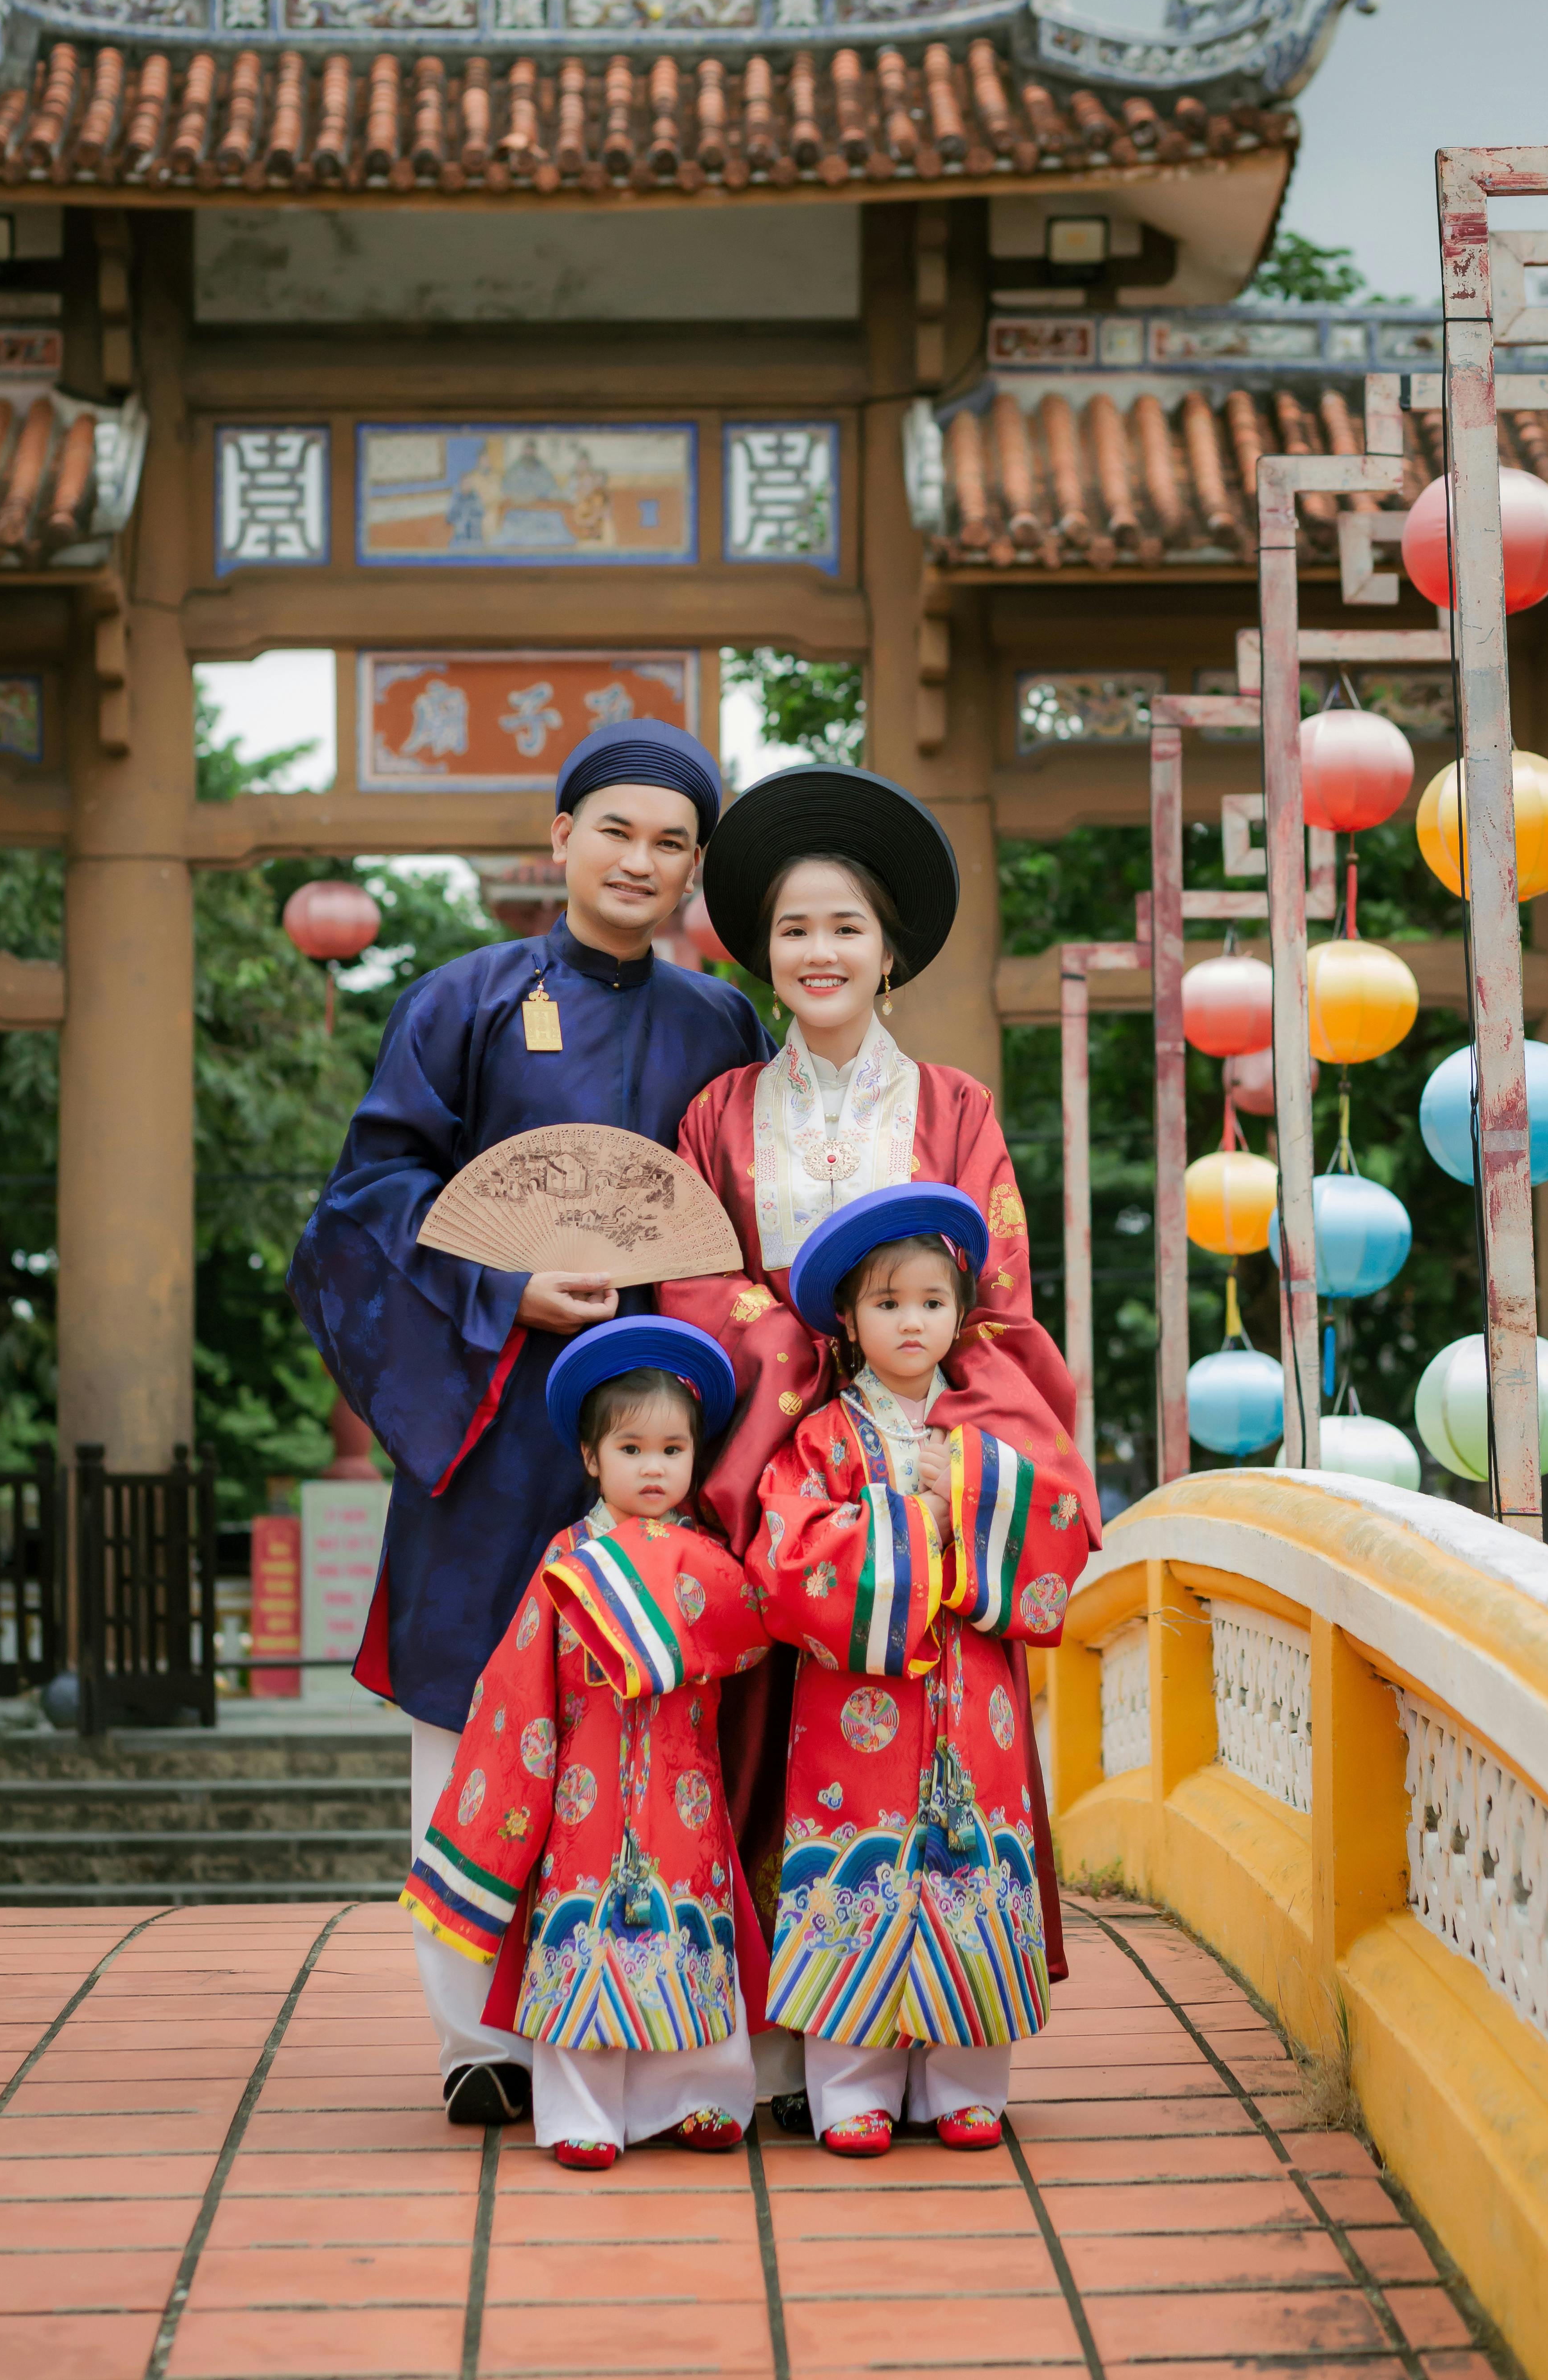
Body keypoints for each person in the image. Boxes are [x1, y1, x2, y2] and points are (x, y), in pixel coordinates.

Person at [288, 719, 772, 2127]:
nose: (640, 861)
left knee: (669, 1714)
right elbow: (367, 1204)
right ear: (560, 837)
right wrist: (507, 1289)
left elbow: (744, 1224)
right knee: (472, 1718)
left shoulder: (722, 1024)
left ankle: (667, 2028)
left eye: (672, 843)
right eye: (615, 830)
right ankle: (480, 2044)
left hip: (668, 1430)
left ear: (695, 868)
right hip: (497, 1420)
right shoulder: (465, 1003)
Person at [658, 767, 1099, 2116]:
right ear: (762, 950)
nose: (820, 952)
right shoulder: (718, 1114)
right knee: (768, 1750)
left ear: (889, 950)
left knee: (949, 1760)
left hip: (924, 1459)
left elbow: (999, 1300)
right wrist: (815, 1398)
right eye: (794, 929)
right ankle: (794, 2056)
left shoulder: (955, 1109)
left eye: (845, 927)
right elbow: (698, 1287)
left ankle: (945, 2049)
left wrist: (922, 1427)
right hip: (788, 1480)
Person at [746, 1184, 1092, 2155]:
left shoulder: (995, 1431)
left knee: (970, 1865)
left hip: (973, 1698)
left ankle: (965, 2082)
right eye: (888, 1303)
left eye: (933, 1302)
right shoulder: (820, 1438)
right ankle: (850, 2087)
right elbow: (788, 1557)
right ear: (849, 1322)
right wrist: (920, 1519)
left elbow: (1066, 1523)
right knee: (853, 1871)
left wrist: (979, 1490)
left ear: (960, 1313)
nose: (912, 1322)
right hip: (855, 1711)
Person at [400, 1318, 771, 2170]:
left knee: (691, 1935)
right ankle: (582, 2111)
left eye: (673, 1450)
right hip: (585, 1799)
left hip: (682, 1795)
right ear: (590, 1459)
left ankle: (701, 2096)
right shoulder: (566, 1561)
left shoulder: (708, 1560)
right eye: (631, 1449)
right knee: (583, 1943)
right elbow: (518, 1693)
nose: (653, 1468)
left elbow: (749, 1639)